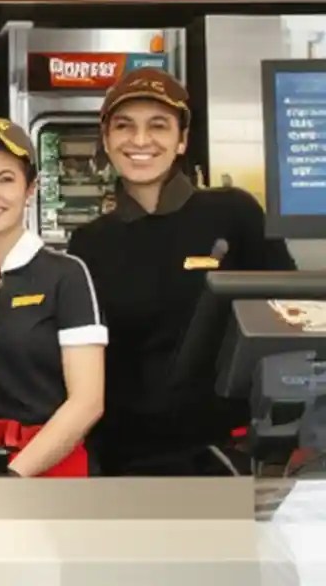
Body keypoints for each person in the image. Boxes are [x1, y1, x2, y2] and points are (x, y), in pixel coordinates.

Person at [67, 68, 298, 476]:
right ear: (106, 139)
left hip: (227, 456)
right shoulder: (89, 243)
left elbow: (292, 321)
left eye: (158, 126)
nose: (140, 141)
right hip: (122, 462)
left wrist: (273, 440)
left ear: (182, 140)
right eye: (125, 126)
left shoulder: (234, 213)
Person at [0, 118, 105, 478]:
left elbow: (87, 402)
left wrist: (14, 475)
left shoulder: (66, 275)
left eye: (6, 179)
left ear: (30, 188)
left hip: (49, 467)